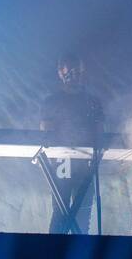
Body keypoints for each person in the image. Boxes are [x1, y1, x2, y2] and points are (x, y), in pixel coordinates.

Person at [39, 52, 105, 234]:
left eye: (78, 71)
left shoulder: (93, 101)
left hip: (87, 162)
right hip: (63, 161)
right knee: (61, 212)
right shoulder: (52, 101)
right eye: (71, 70)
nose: (75, 75)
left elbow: (100, 132)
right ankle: (53, 252)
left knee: (83, 214)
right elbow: (45, 132)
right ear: (60, 72)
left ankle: (79, 255)